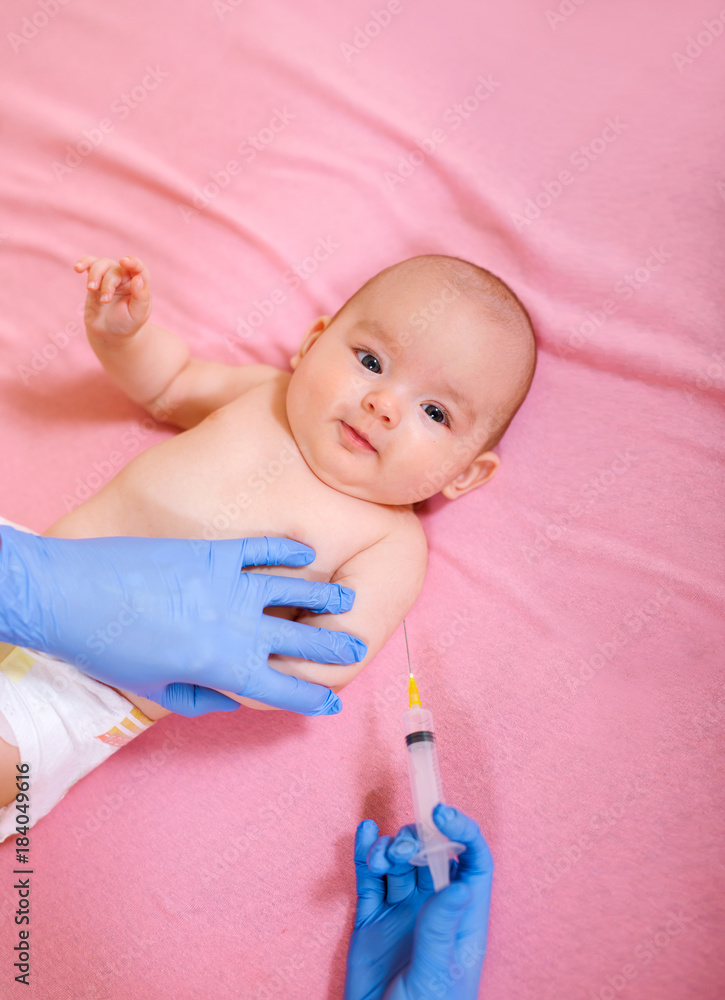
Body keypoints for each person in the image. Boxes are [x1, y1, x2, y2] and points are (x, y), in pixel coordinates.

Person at [0, 250, 536, 833]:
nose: (382, 404)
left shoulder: (389, 542)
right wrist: (122, 337)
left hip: (89, 688)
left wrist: (215, 657)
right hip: (30, 569)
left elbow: (321, 663)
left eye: (435, 411)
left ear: (465, 473)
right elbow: (169, 385)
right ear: (313, 343)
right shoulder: (265, 394)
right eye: (370, 360)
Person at [0, 536, 494, 997]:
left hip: (64, 692)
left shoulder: (390, 538)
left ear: (465, 475)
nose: (388, 433)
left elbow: (310, 667)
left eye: (440, 433)